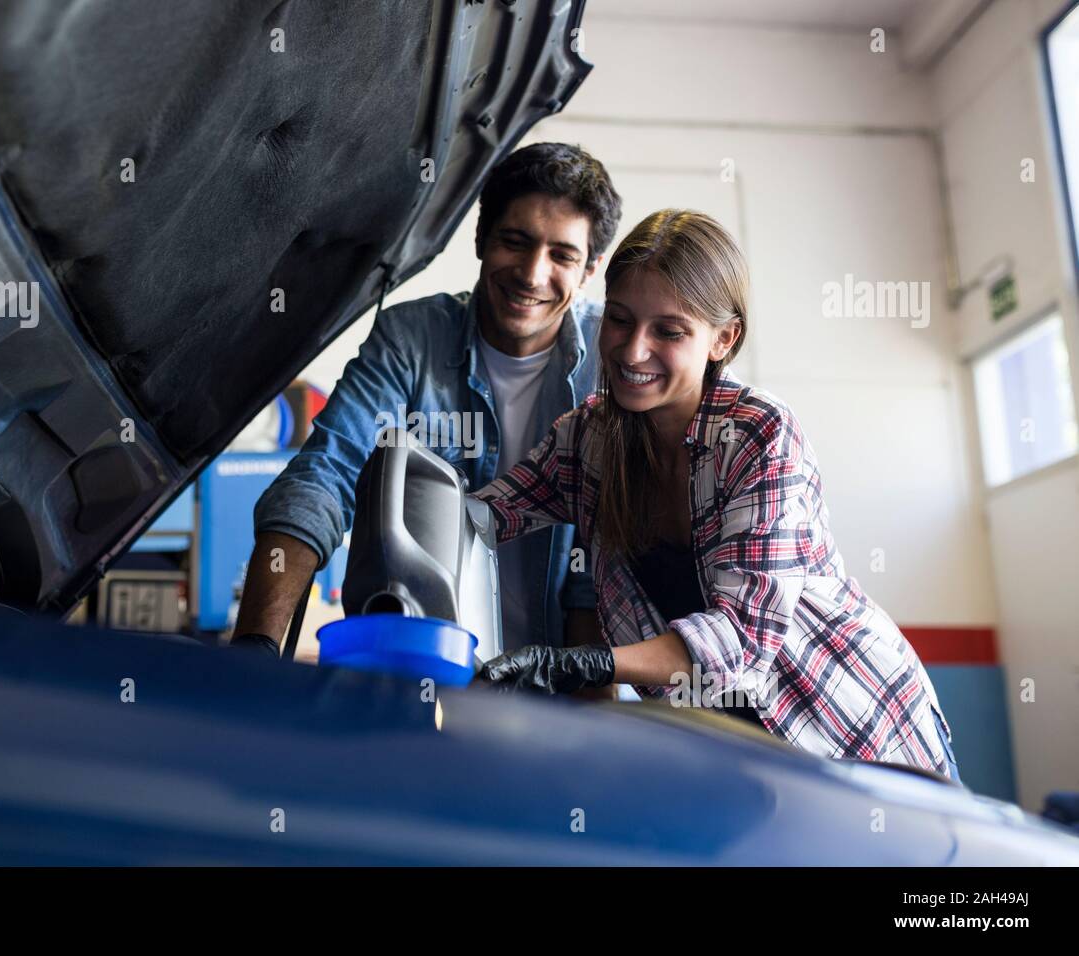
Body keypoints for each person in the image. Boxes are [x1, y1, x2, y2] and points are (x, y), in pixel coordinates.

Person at [471, 209, 961, 780]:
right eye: (621, 321)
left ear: (722, 338)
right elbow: (487, 514)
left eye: (669, 332)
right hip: (735, 766)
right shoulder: (586, 442)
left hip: (853, 732)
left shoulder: (759, 434)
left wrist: (585, 665)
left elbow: (743, 640)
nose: (632, 352)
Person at [231, 143, 622, 670]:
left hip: (562, 690)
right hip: (417, 674)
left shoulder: (616, 359)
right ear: (481, 238)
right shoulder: (410, 339)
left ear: (591, 269)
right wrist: (255, 650)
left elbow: (614, 548)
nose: (532, 274)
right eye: (516, 241)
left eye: (562, 256)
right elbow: (325, 475)